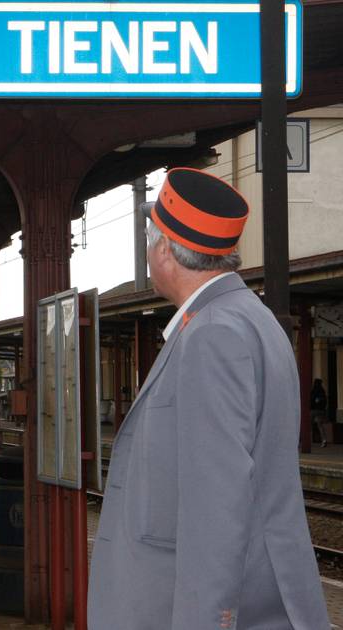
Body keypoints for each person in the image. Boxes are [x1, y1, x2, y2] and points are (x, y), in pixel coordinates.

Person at [89, 168, 329, 629]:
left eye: (149, 238)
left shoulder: (212, 334)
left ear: (163, 250)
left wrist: (209, 621)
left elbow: (216, 504)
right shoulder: (248, 319)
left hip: (213, 608)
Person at [311, 378, 330, 448]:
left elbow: (311, 400)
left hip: (313, 410)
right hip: (321, 411)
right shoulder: (322, 391)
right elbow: (325, 401)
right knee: (320, 426)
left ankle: (307, 440)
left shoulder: (313, 390)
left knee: (308, 426)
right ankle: (324, 440)